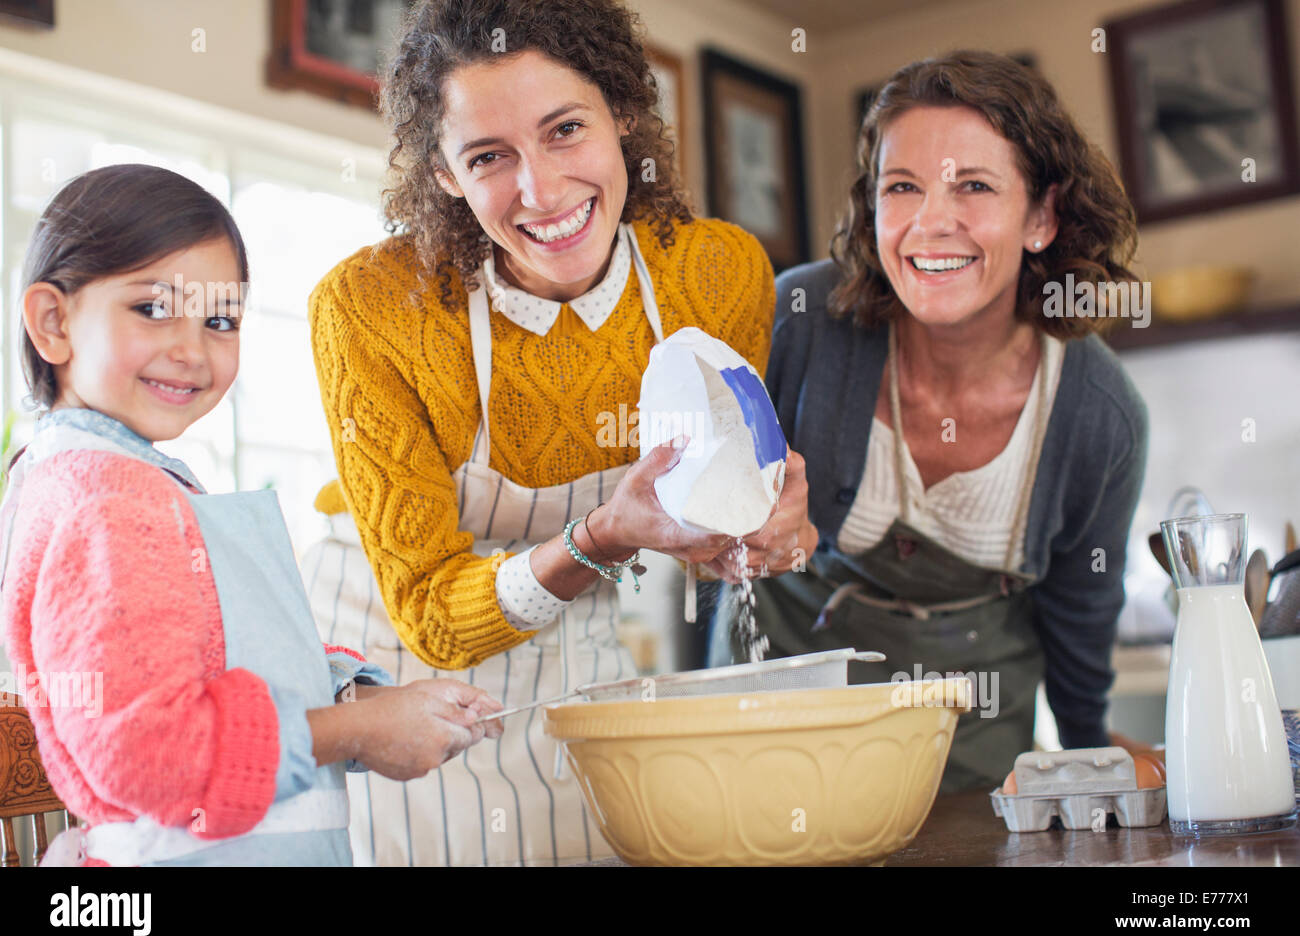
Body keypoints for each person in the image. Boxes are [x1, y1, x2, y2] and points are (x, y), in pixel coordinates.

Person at [305, 0, 815, 865]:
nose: (539, 192)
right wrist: (602, 537)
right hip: (395, 681)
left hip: (576, 660)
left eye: (565, 130)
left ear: (622, 111)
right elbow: (429, 610)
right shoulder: (371, 309)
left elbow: (718, 499)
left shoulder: (718, 273)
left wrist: (759, 524)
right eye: (487, 157)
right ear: (442, 173)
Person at [1, 164, 502, 867]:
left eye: (220, 320)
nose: (191, 349)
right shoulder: (104, 498)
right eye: (152, 308)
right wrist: (354, 731)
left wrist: (355, 699)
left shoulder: (127, 478)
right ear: (53, 322)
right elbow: (151, 754)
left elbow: (220, 655)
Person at [713, 51, 1150, 794]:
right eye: (902, 187)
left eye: (973, 186)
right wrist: (733, 533)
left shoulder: (1098, 416)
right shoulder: (803, 321)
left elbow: (1082, 606)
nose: (929, 222)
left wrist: (1088, 762)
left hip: (967, 737)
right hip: (771, 718)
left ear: (1041, 216)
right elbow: (696, 501)